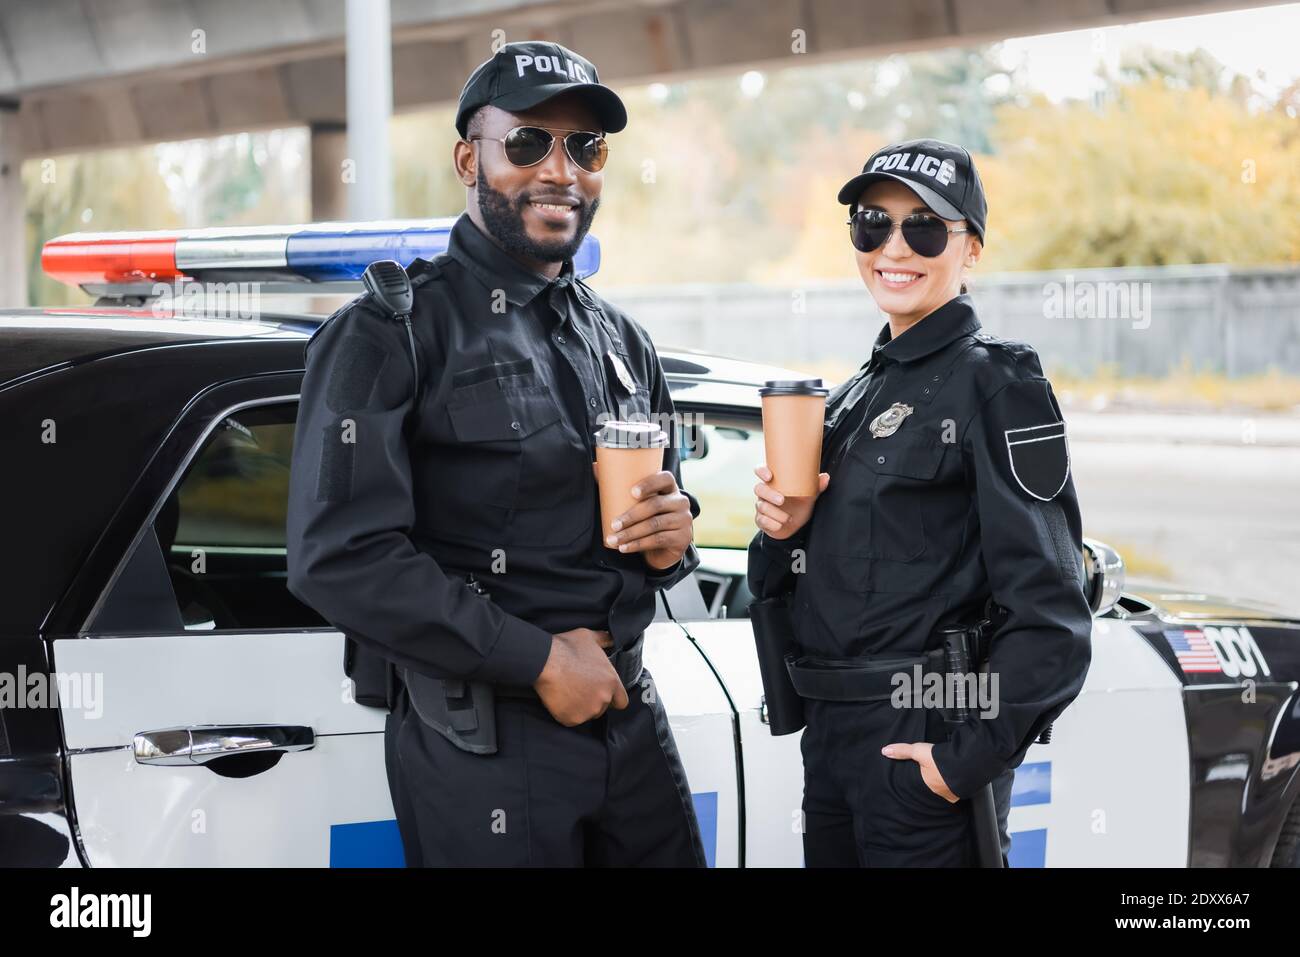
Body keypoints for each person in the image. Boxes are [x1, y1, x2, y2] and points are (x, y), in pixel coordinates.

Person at [286, 40, 707, 867]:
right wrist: (540, 658)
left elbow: (661, 525)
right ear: (466, 159)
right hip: (485, 740)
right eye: (528, 143)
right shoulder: (388, 333)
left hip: (631, 715)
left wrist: (674, 536)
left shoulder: (623, 339)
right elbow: (338, 556)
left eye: (585, 147)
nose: (562, 170)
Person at [747, 138, 1092, 867]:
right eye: (874, 223)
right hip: (834, 747)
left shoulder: (998, 385)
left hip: (924, 746)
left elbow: (1054, 616)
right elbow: (786, 584)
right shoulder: (845, 399)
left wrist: (961, 763)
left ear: (971, 251)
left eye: (925, 226)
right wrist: (781, 532)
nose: (894, 246)